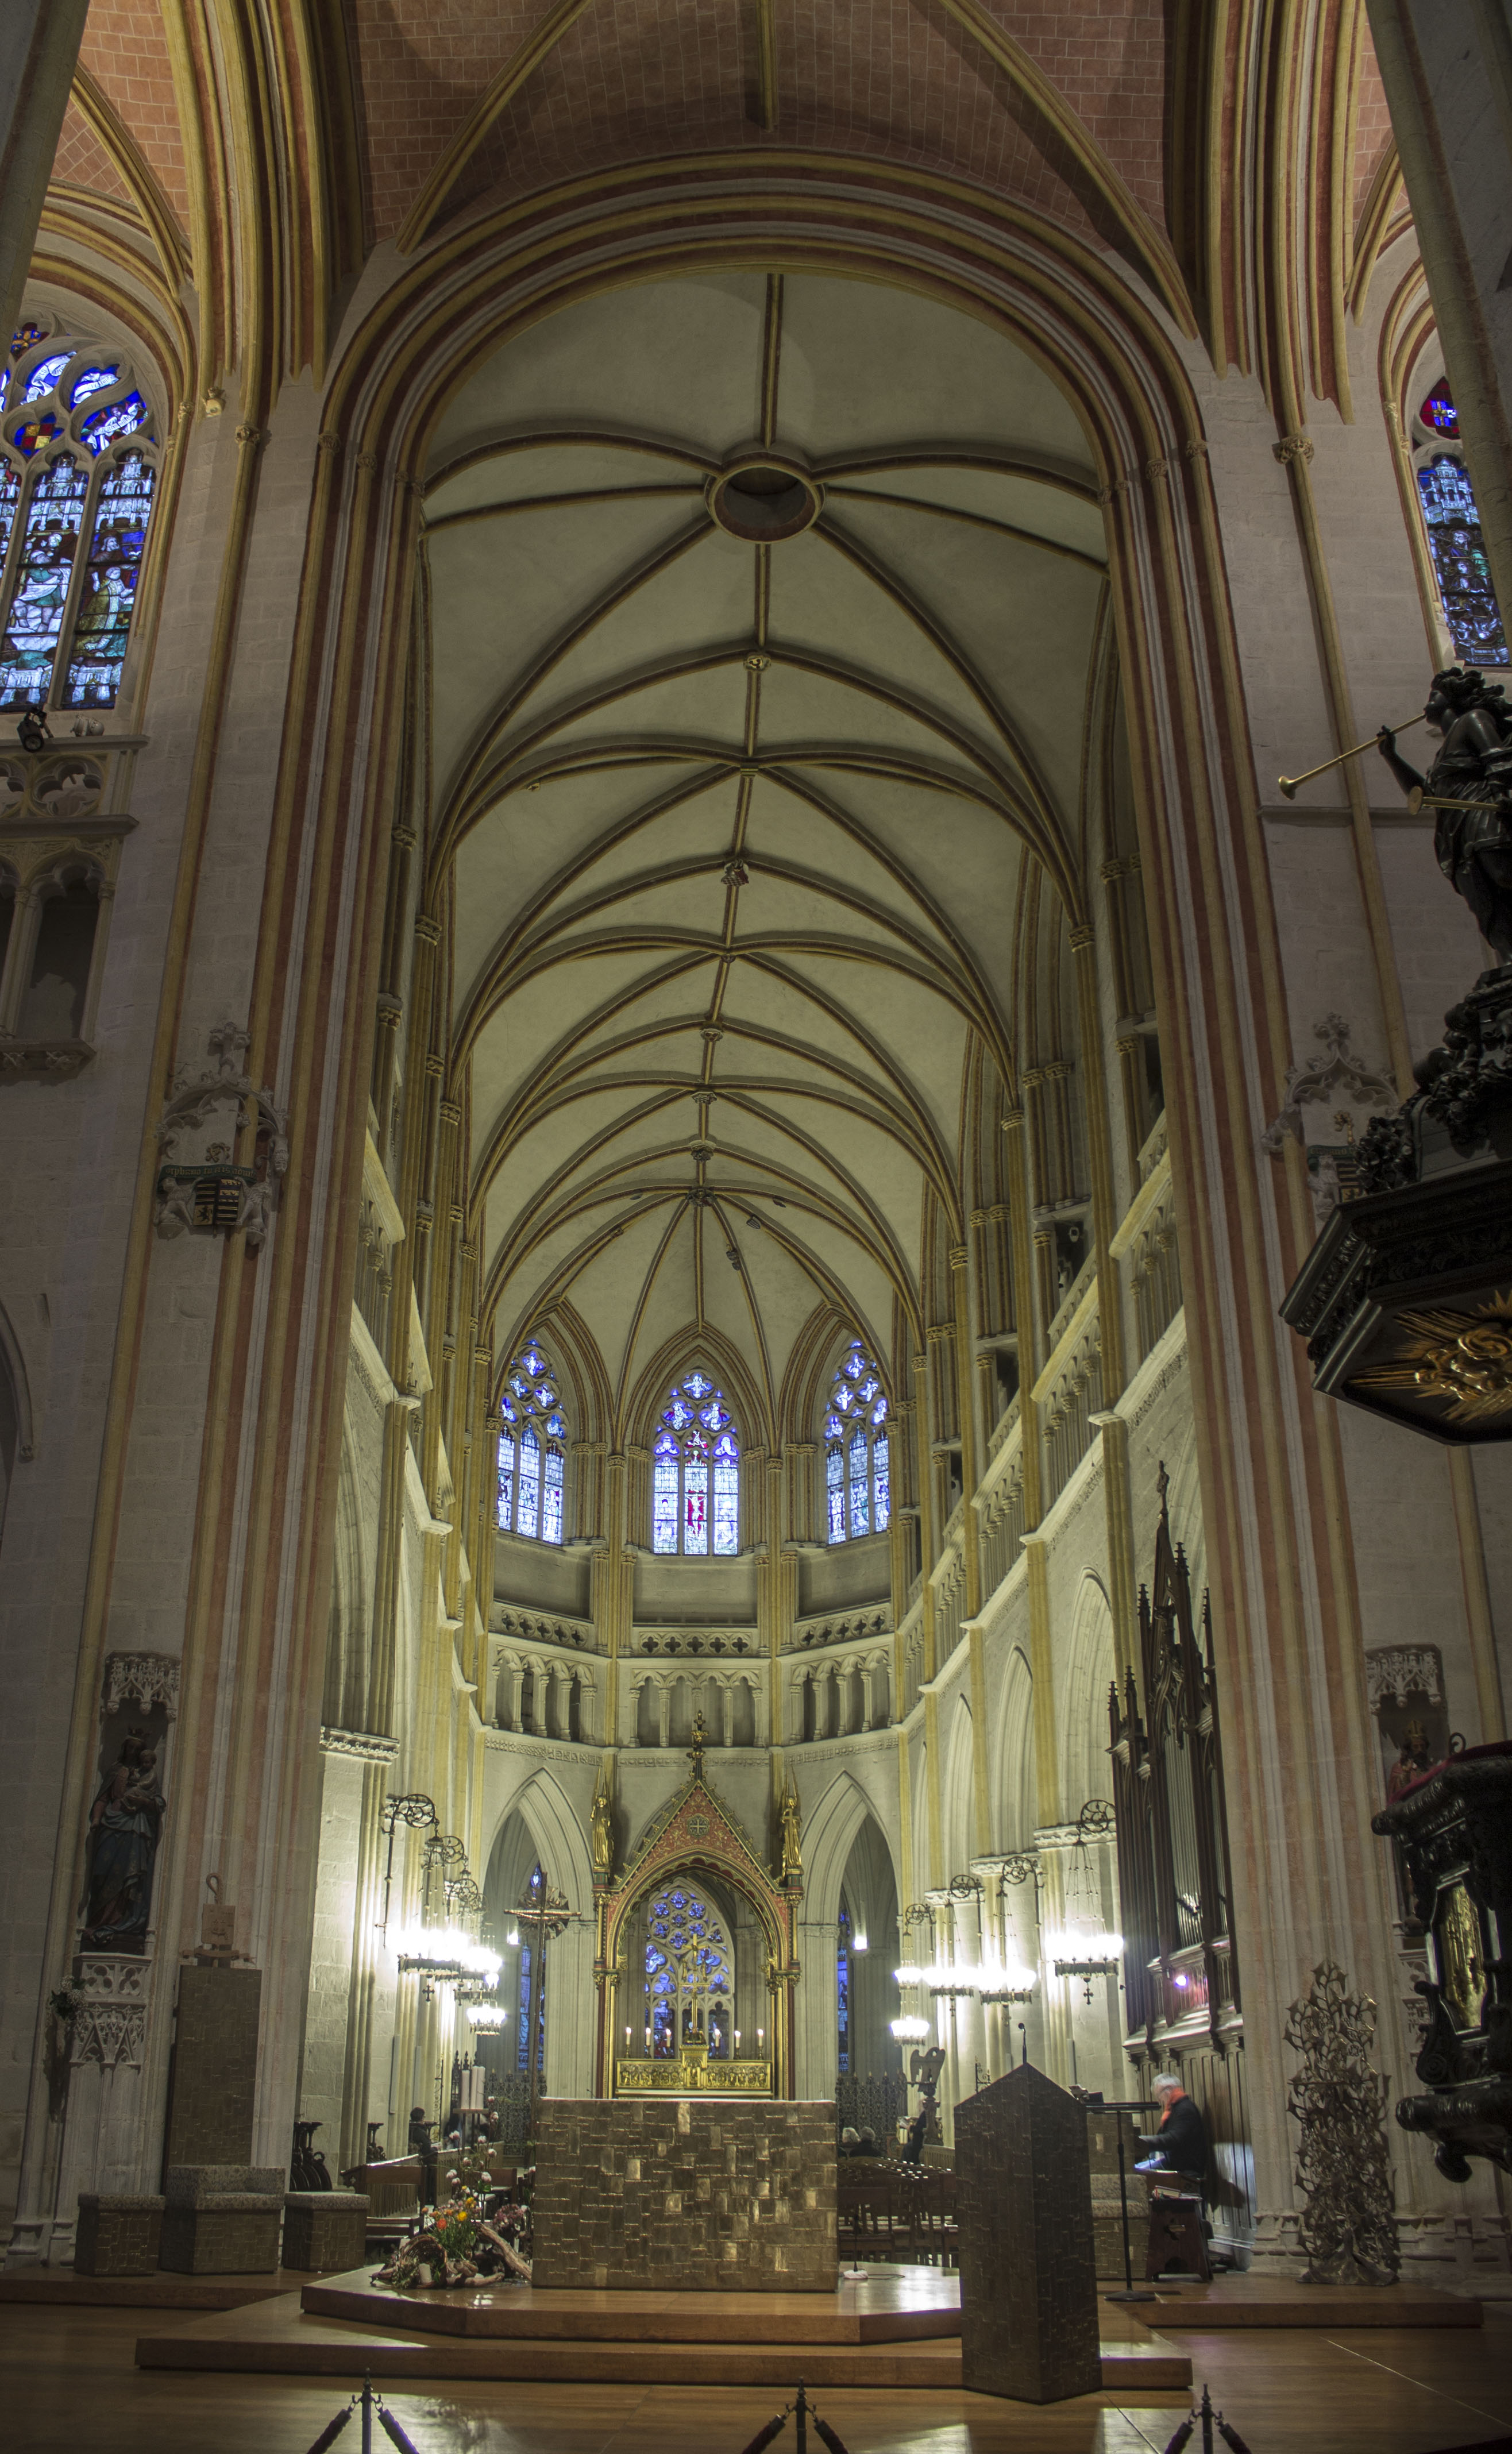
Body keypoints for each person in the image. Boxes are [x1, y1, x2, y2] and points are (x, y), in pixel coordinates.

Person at [1135, 2073, 1207, 2179]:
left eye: (1159, 2095)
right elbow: (1164, 2136)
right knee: (1136, 2170)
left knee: (1137, 2174)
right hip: (1173, 2165)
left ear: (1168, 2090)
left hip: (1185, 2170)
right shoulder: (1175, 2109)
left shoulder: (1185, 2109)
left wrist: (1144, 2141)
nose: (1160, 2100)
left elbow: (1174, 2140)